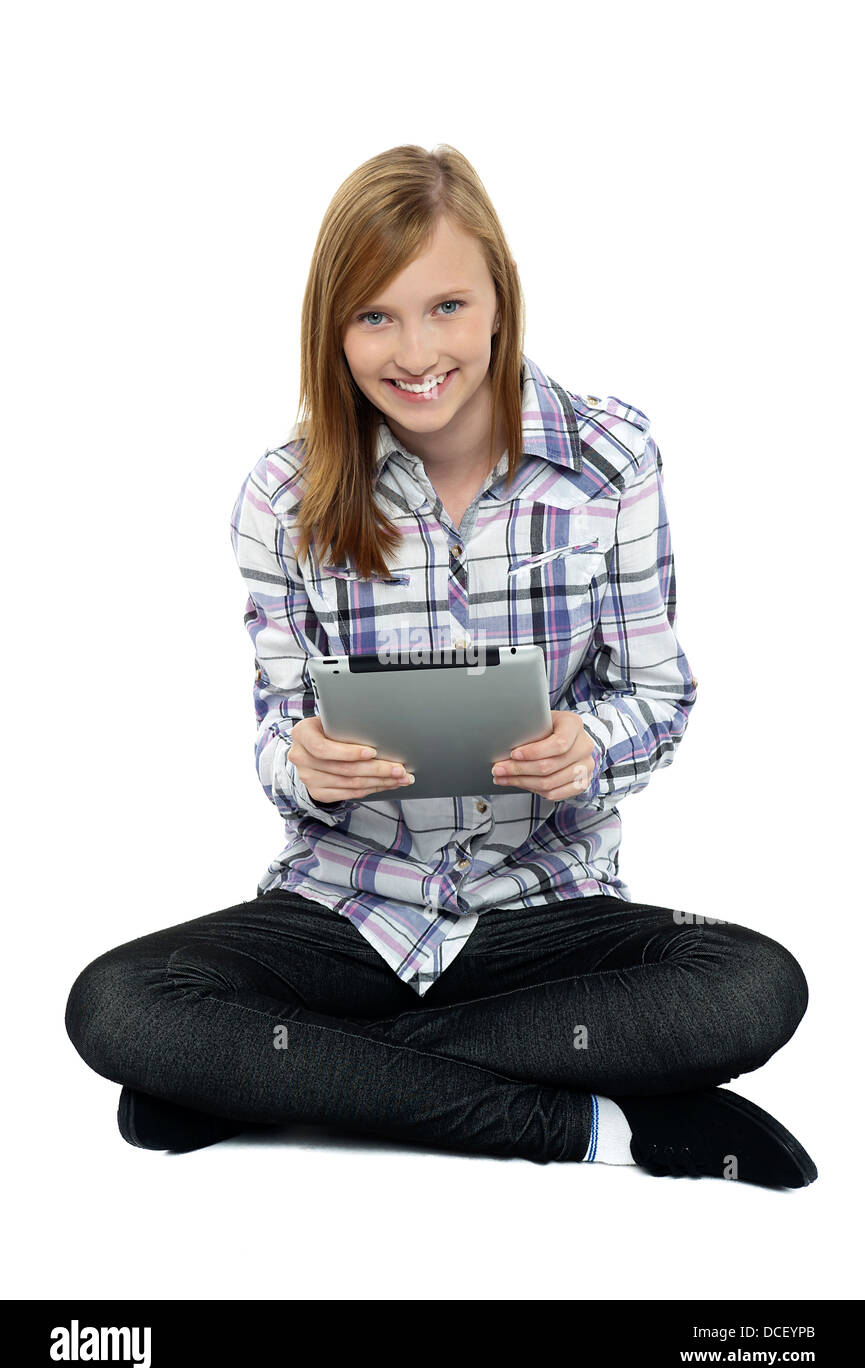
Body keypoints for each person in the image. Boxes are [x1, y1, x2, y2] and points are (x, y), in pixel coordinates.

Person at [65, 143, 817, 1187]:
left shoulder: (609, 460)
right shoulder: (282, 496)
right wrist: (304, 761)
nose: (415, 350)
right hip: (345, 910)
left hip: (544, 918)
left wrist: (586, 747)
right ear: (332, 330)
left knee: (751, 984)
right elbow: (278, 726)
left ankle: (263, 1077)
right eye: (375, 315)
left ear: (500, 303)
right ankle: (597, 1127)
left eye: (446, 307)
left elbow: (658, 696)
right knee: (117, 1003)